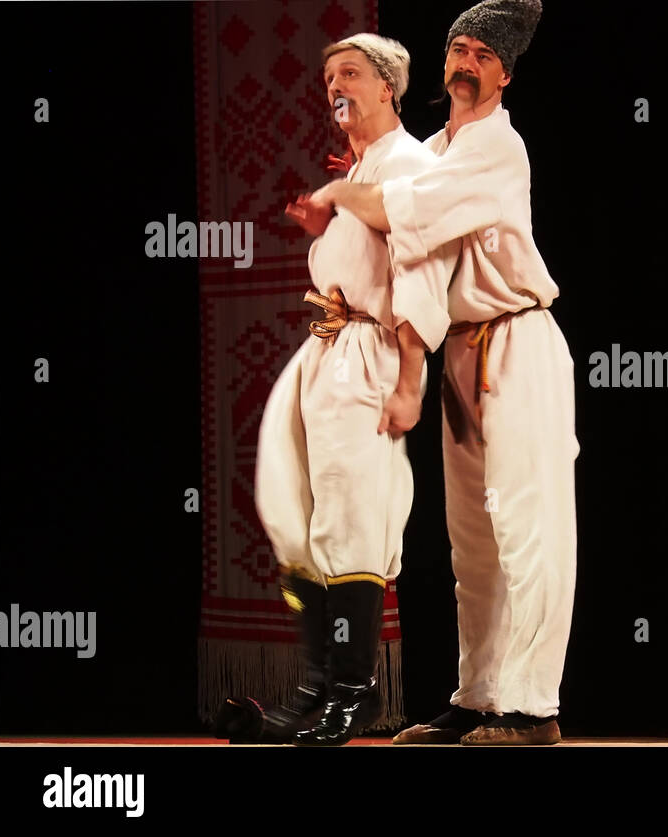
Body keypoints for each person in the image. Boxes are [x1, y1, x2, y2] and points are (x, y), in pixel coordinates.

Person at [307, 0, 578, 746]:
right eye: (459, 49)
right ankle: (480, 693)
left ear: (505, 75)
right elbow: (401, 235)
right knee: (473, 538)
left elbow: (405, 211)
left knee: (530, 525)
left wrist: (341, 195)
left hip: (518, 341)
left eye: (483, 56)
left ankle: (532, 708)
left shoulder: (498, 149)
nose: (465, 63)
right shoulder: (438, 147)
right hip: (464, 351)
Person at [213, 32, 441, 747]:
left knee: (351, 521)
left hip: (369, 356)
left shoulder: (409, 163)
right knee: (296, 518)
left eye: (349, 73)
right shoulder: (365, 168)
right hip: (326, 355)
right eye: (326, 76)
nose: (333, 85)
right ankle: (317, 685)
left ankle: (354, 691)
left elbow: (420, 278)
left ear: (387, 87)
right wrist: (326, 227)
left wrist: (410, 382)